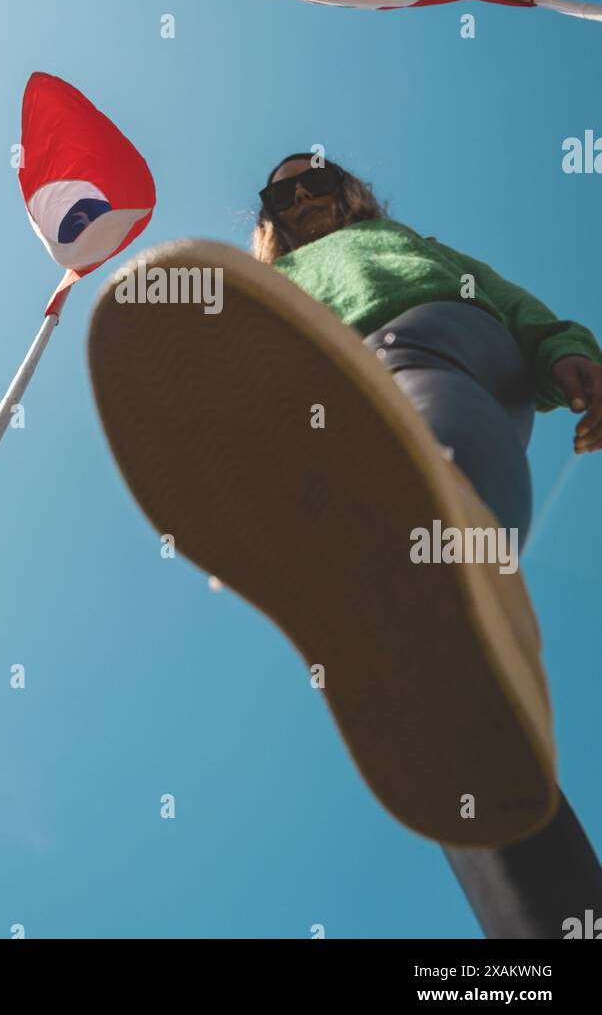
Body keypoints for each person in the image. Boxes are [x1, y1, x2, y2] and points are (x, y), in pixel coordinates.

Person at [87, 152, 602, 938]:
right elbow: (239, 381)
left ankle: (448, 567)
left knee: (428, 469)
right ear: (268, 216)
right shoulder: (273, 289)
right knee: (422, 686)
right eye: (280, 194)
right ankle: (447, 642)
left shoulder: (413, 246)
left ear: (350, 192)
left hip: (445, 343)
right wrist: (243, 506)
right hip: (331, 398)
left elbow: (514, 302)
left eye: (316, 181)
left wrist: (573, 351)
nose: (300, 198)